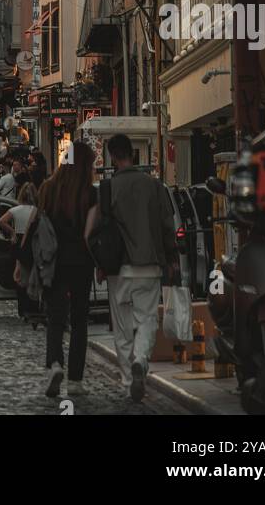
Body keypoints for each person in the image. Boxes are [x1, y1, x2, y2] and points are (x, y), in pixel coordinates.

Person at [104, 132, 178, 402]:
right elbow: (167, 224)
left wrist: (101, 264)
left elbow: (101, 230)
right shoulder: (153, 185)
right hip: (149, 263)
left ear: (112, 156)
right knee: (146, 319)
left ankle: (127, 380)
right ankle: (141, 361)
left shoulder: (109, 188)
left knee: (122, 328)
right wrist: (172, 258)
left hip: (119, 267)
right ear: (132, 154)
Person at [39, 144, 98, 398]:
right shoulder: (90, 194)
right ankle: (75, 380)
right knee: (79, 319)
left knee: (55, 317)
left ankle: (54, 364)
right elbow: (91, 235)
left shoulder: (48, 189)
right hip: (82, 262)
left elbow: (38, 226)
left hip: (54, 261)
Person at [0, 181, 39, 318]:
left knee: (20, 276)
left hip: (19, 241)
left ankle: (23, 308)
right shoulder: (37, 211)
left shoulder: (15, 210)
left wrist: (12, 232)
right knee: (33, 273)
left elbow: (1, 221)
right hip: (33, 241)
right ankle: (34, 306)